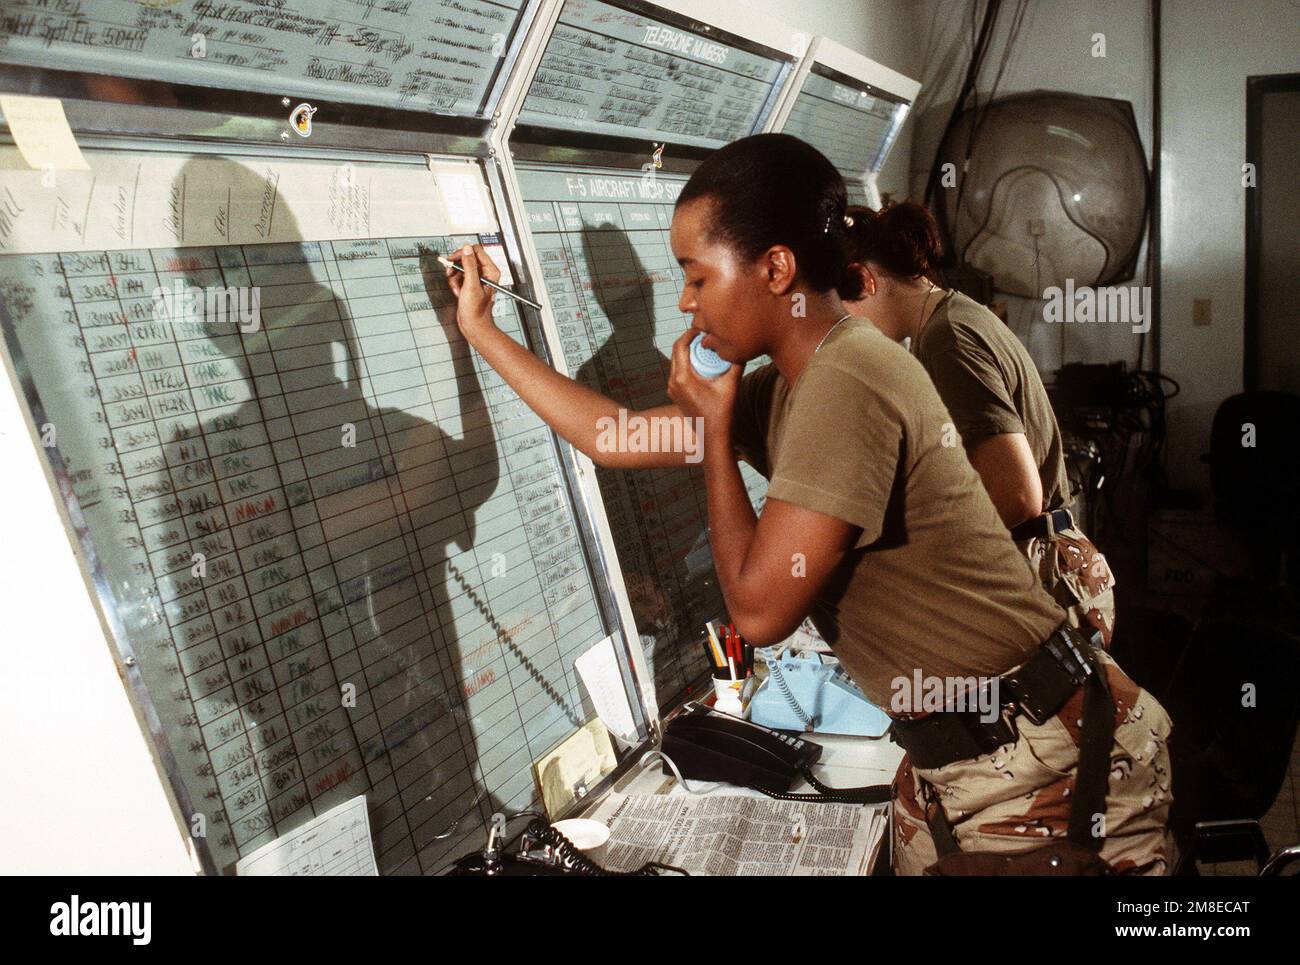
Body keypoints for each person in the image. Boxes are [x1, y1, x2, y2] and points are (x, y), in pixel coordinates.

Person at [444, 133, 1171, 874]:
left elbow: (757, 614)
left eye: (696, 276)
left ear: (776, 269)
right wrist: (482, 329)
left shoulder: (847, 380)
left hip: (1041, 762)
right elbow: (613, 435)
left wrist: (718, 430)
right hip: (964, 757)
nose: (686, 301)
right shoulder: (799, 378)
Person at [841, 202, 1117, 649]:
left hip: (1040, 577)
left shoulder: (946, 339)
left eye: (845, 310)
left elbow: (1016, 497)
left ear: (867, 280)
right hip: (1055, 569)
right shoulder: (957, 314)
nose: (850, 327)